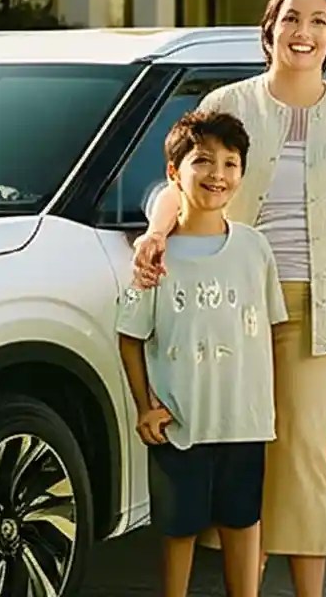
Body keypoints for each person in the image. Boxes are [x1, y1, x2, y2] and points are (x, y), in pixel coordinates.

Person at [131, 0, 326, 597]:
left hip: (318, 306)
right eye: (291, 18)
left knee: (303, 449)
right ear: (269, 27)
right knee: (237, 444)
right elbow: (174, 182)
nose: (302, 32)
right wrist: (155, 234)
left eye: (318, 23)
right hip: (231, 303)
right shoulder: (230, 104)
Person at [116, 110, 288, 597]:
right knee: (179, 530)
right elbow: (130, 334)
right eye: (203, 161)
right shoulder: (156, 256)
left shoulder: (255, 249)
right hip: (179, 425)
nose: (218, 174)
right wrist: (144, 407)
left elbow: (270, 333)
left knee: (242, 523)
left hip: (244, 423)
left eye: (231, 163)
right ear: (174, 172)